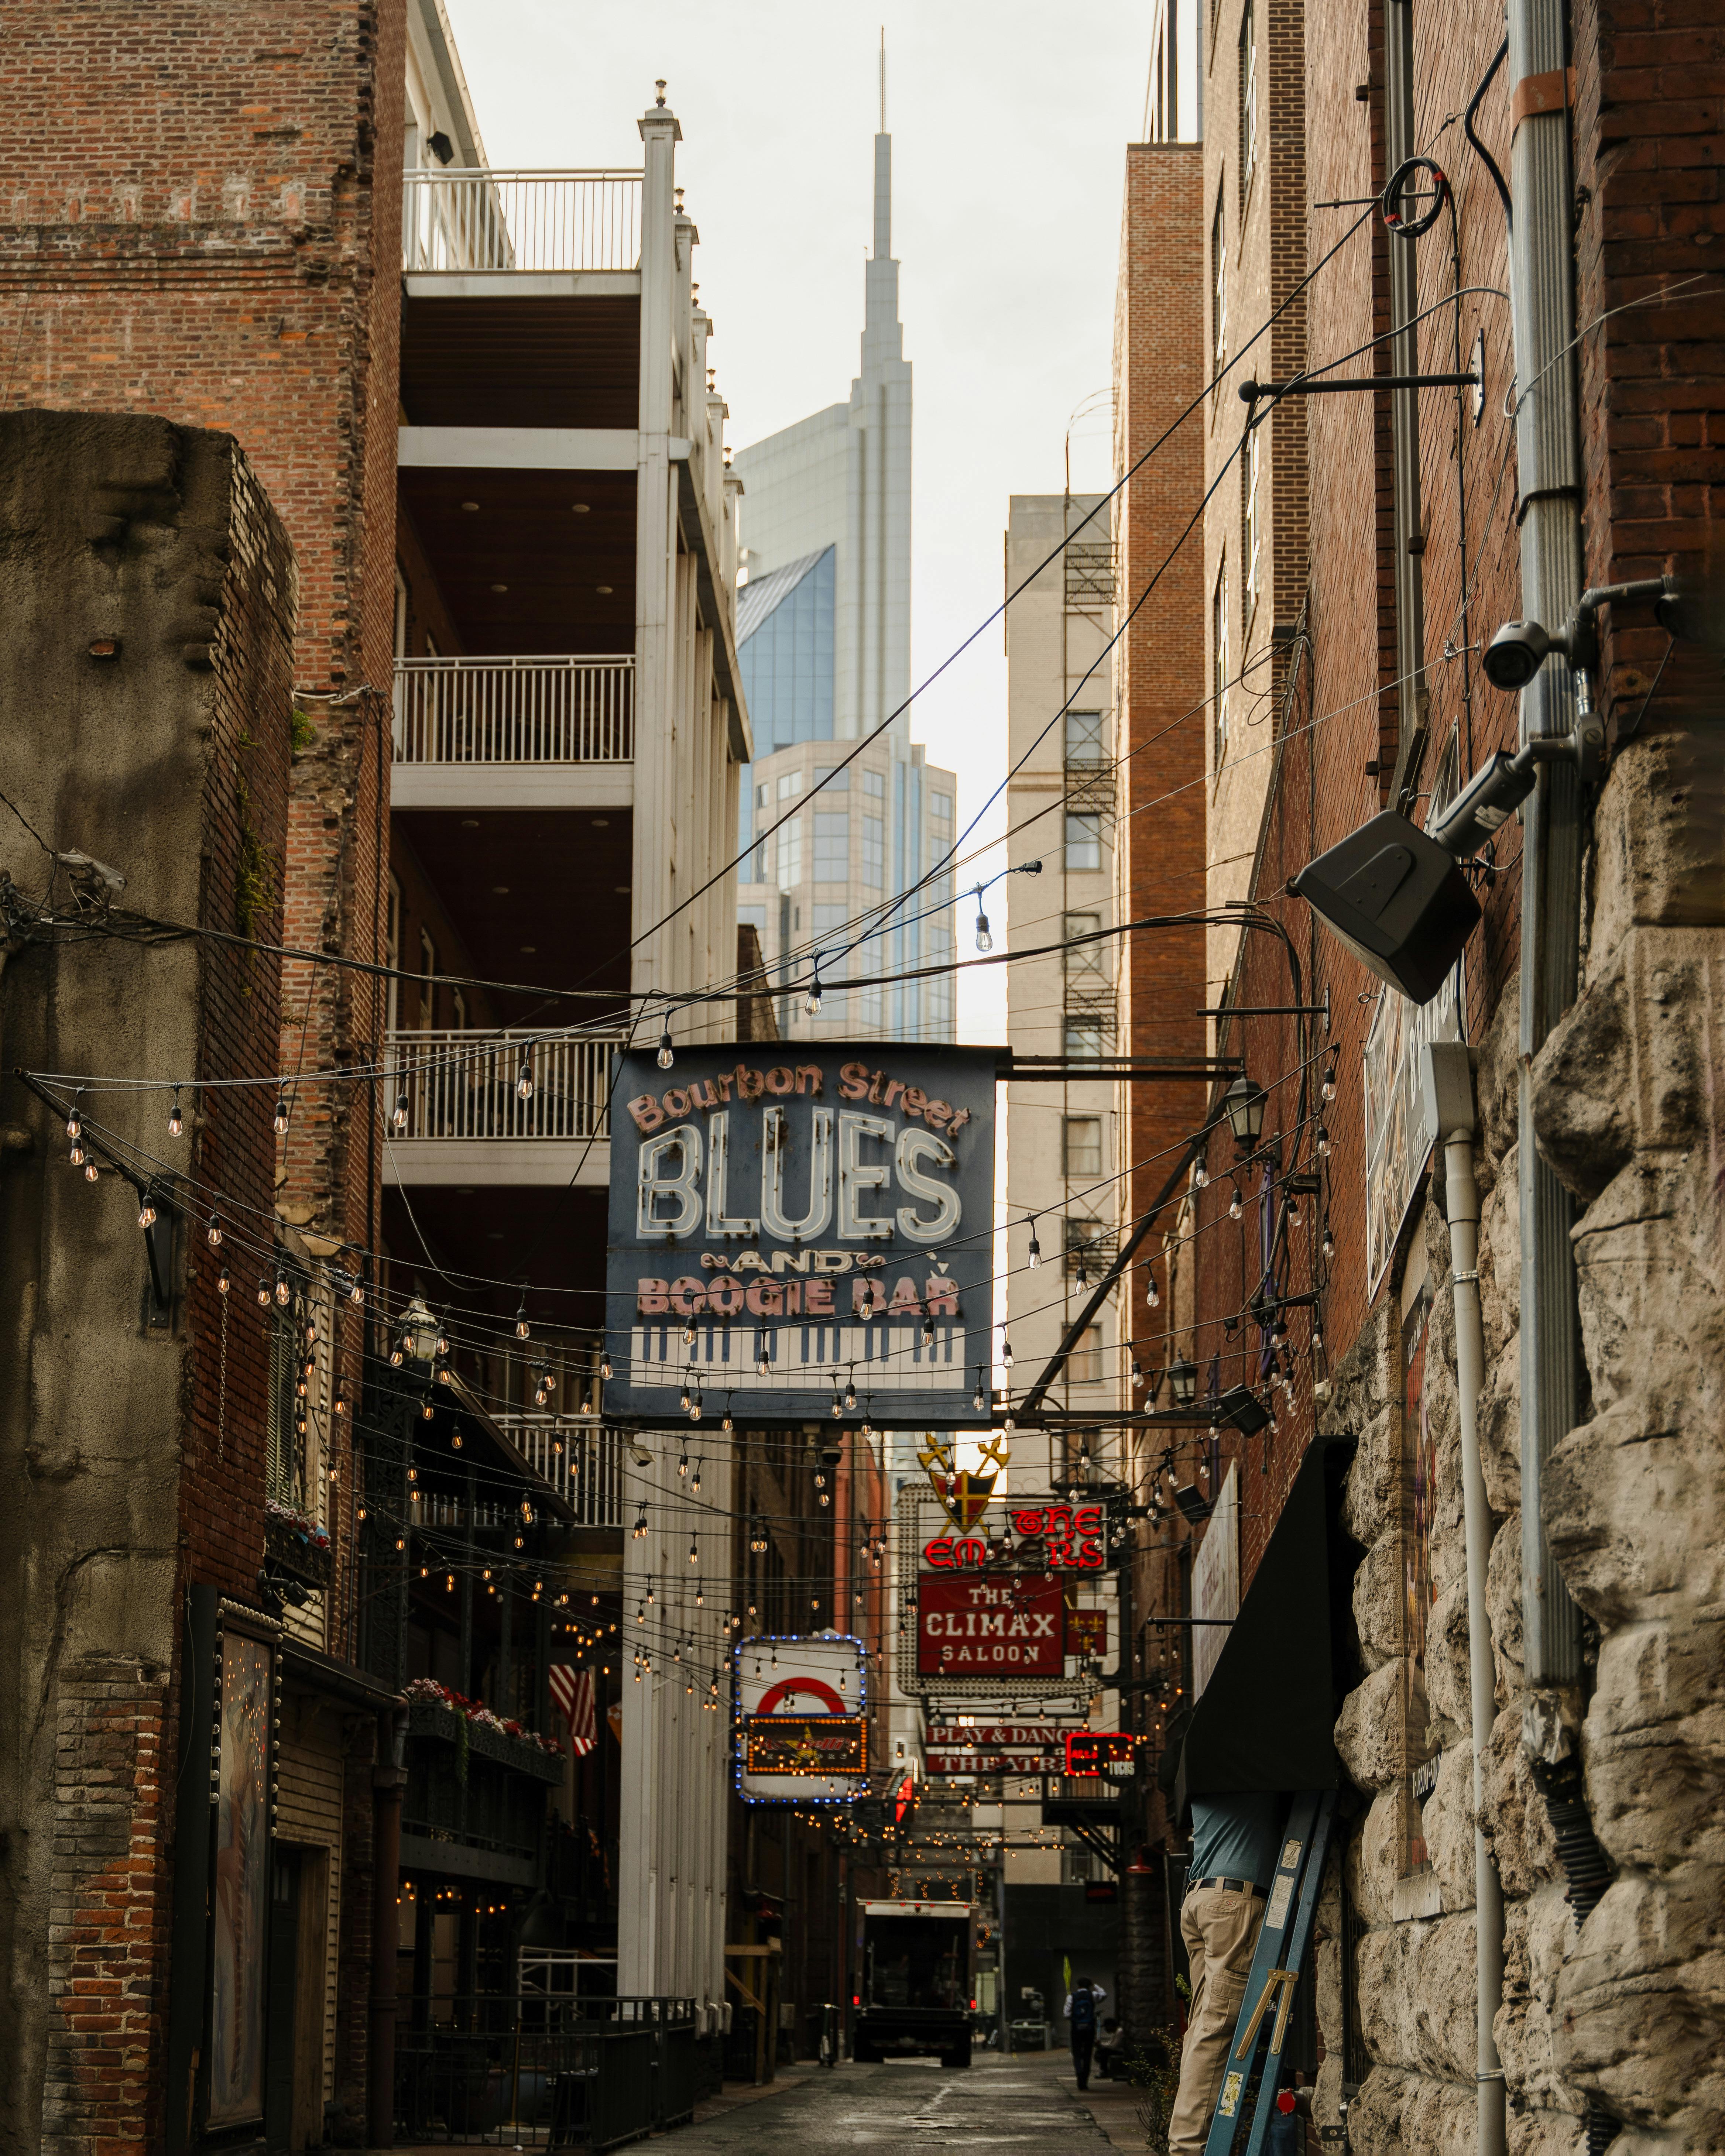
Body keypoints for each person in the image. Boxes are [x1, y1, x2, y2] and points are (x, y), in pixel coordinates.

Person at [1167, 1790, 1290, 2155]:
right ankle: (1187, 2147)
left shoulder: (1208, 1771)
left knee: (1203, 2026)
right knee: (1218, 2026)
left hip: (1199, 1899)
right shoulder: (1252, 1771)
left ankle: (1183, 2138)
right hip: (1233, 1905)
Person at [1064, 1975, 1105, 2090]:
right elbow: (1104, 1994)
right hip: (1089, 2028)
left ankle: (1079, 2073)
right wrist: (1095, 1986)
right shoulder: (1093, 1995)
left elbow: (1066, 2014)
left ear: (1078, 1986)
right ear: (1089, 1986)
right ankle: (1085, 2081)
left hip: (1076, 2028)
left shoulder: (1071, 1997)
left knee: (1077, 2054)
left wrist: (1075, 2018)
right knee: (1087, 2054)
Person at [1095, 2015, 1126, 2080]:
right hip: (1116, 2050)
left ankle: (1105, 2071)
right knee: (1102, 2051)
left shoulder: (1119, 2032)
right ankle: (1104, 2070)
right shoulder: (1115, 2033)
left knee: (1104, 2053)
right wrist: (1101, 2045)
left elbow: (1114, 2046)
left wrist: (1101, 2045)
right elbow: (1110, 2043)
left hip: (1120, 2051)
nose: (1106, 2029)